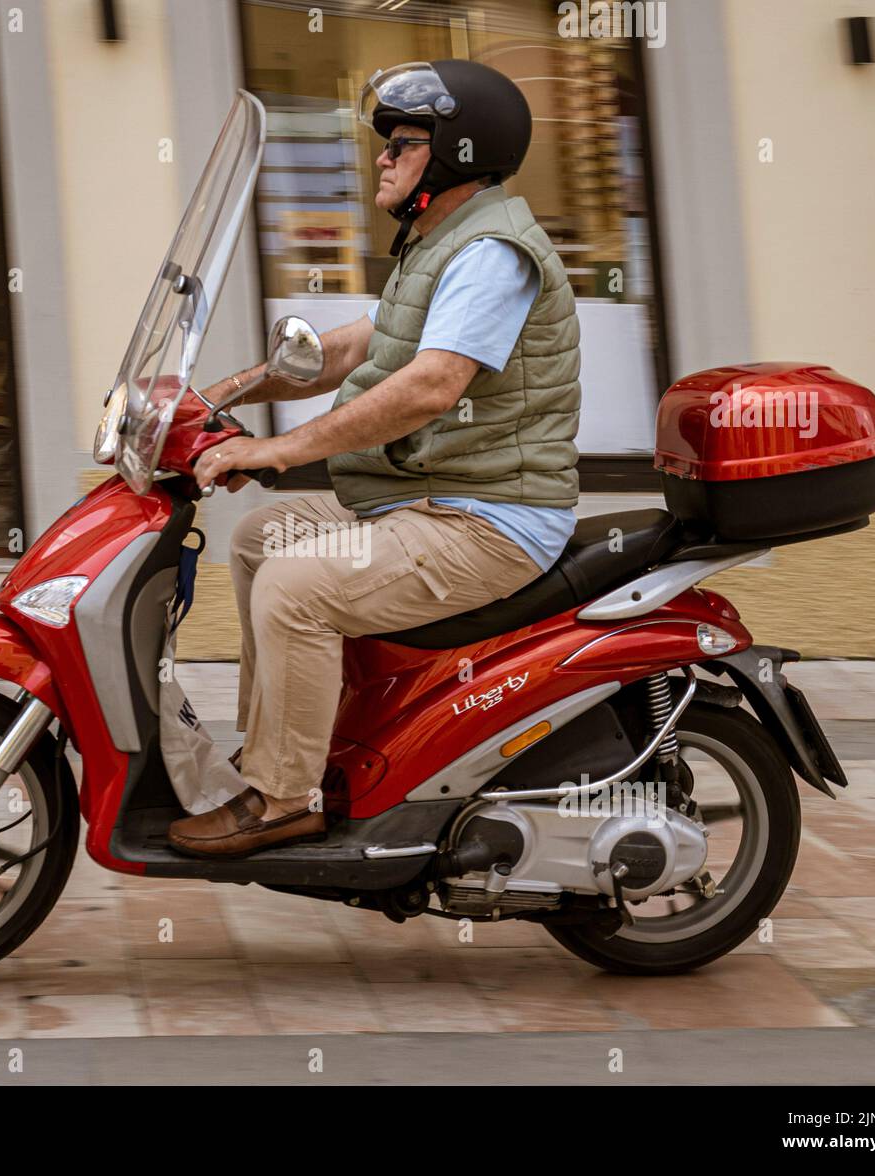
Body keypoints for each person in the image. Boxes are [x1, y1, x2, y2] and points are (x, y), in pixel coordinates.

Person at [168, 59, 581, 858]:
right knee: (263, 540)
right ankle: (282, 753)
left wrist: (281, 449)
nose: (383, 157)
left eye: (403, 142)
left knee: (295, 589)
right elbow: (357, 345)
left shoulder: (492, 253)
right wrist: (221, 397)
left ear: (457, 153)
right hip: (423, 498)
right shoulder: (437, 245)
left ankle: (284, 799)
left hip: (486, 517)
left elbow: (429, 385)